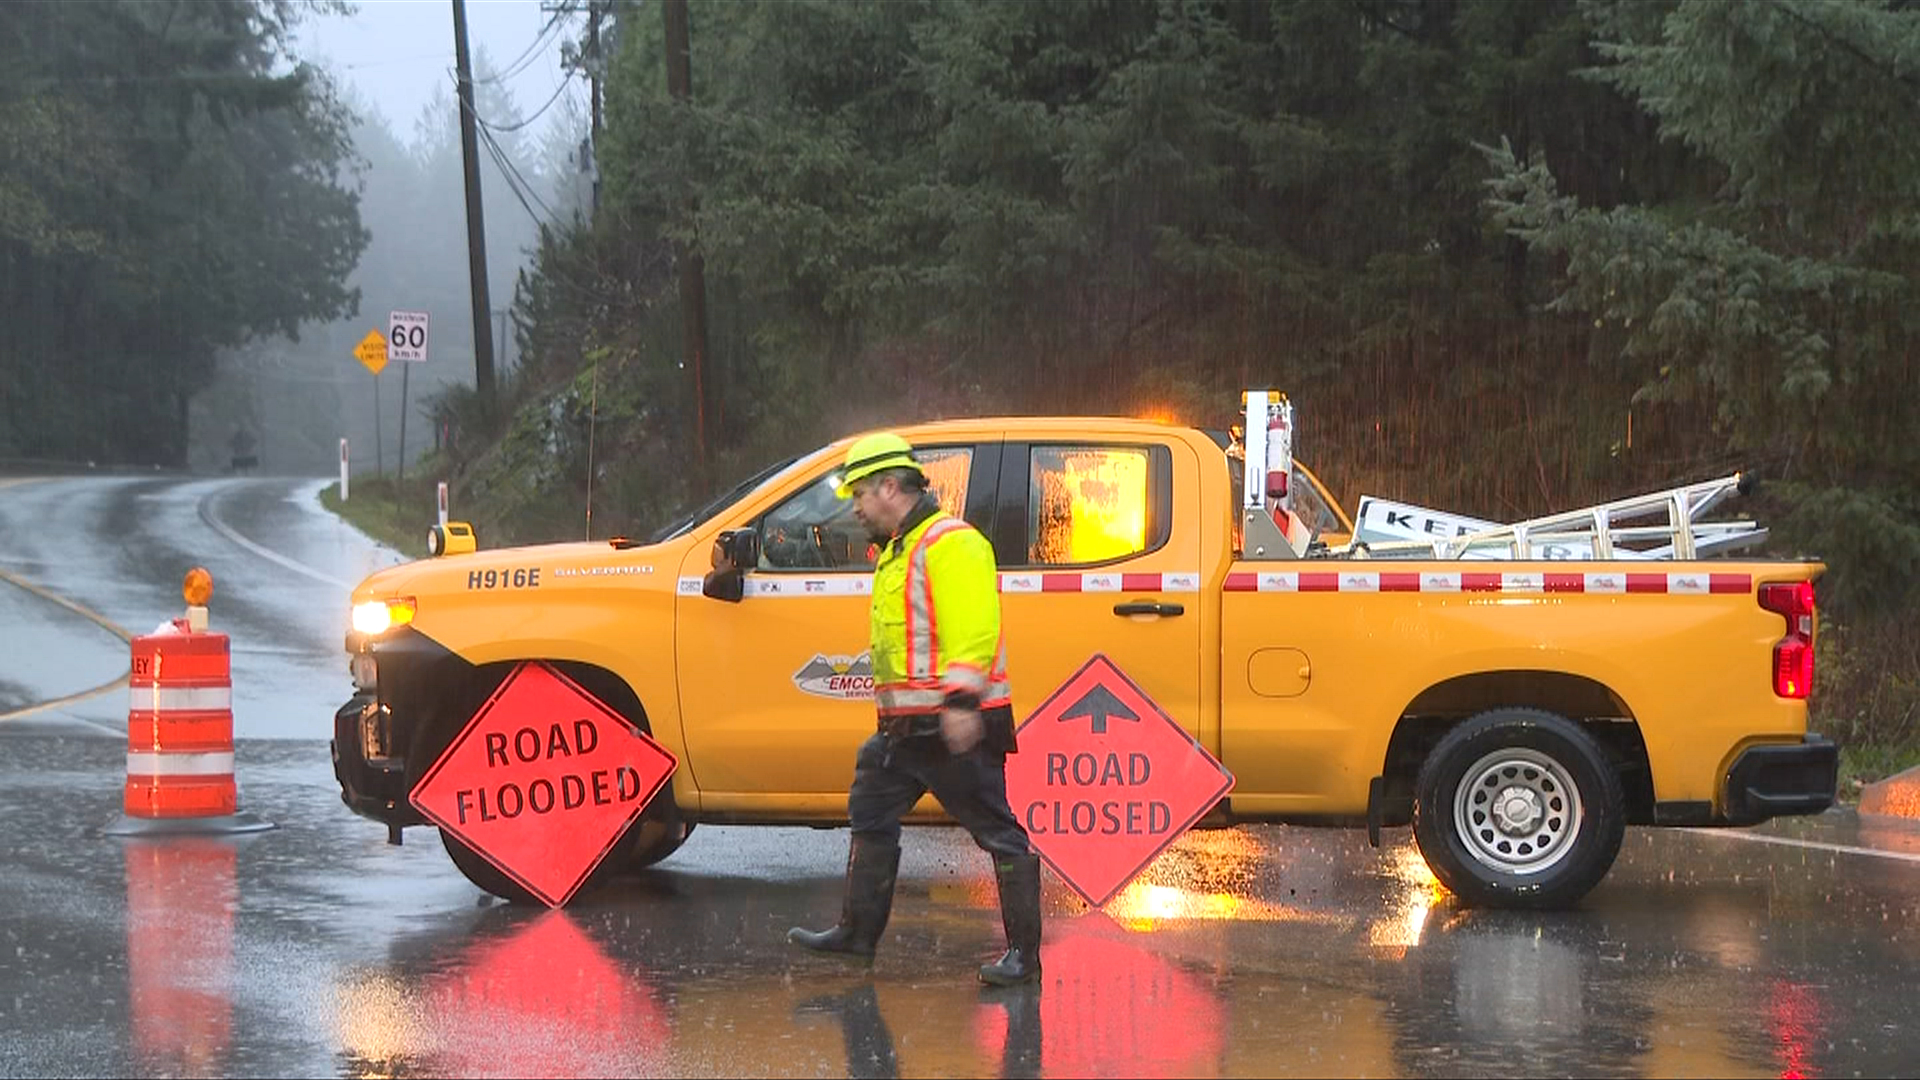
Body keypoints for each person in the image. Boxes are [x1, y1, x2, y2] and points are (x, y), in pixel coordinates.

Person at [788, 432, 1042, 986]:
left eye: (859, 494)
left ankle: (1025, 958)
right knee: (870, 807)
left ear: (889, 487)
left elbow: (974, 629)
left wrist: (961, 703)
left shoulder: (949, 543)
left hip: (953, 724)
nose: (854, 507)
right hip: (905, 730)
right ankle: (857, 935)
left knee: (998, 834)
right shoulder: (899, 551)